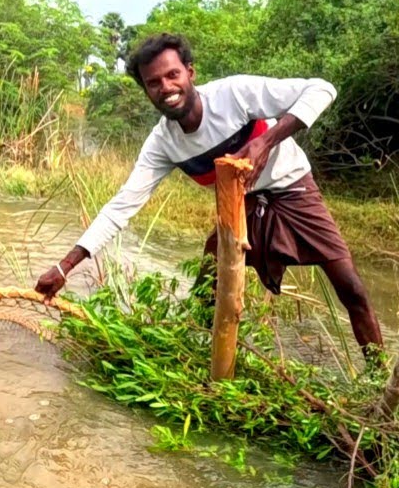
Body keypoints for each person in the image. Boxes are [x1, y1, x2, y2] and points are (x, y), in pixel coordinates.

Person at [34, 33, 386, 365]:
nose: (166, 88)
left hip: (293, 189)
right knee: (208, 289)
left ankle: (378, 386)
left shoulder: (234, 94)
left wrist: (267, 140)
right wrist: (65, 266)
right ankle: (206, 361)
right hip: (238, 206)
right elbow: (123, 206)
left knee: (351, 288)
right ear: (146, 92)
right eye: (153, 83)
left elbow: (322, 89)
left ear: (190, 73)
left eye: (173, 75)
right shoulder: (163, 144)